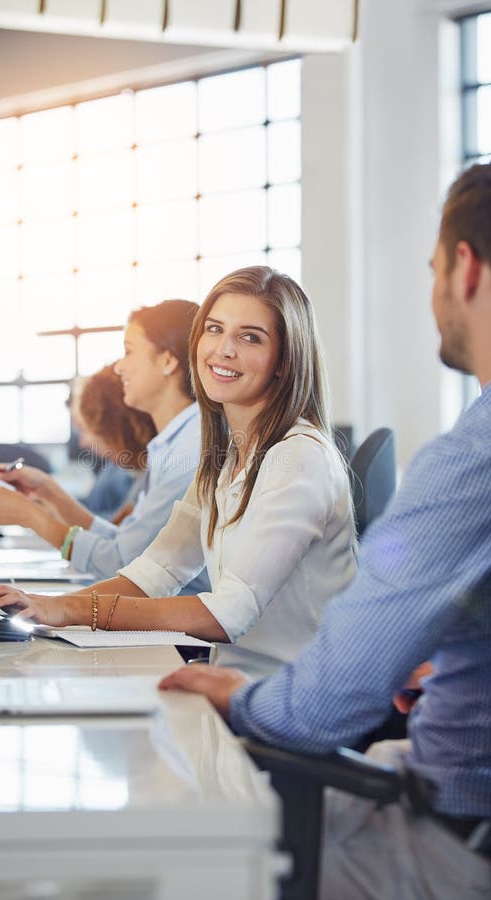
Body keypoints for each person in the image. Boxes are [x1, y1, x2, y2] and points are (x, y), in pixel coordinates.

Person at [158, 164, 491, 899]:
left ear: (463, 269)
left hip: (452, 838)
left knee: (166, 863)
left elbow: (319, 710)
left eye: (432, 269)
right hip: (428, 762)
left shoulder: (473, 456)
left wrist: (232, 696)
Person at [0, 266, 356, 662]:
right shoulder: (227, 456)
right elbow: (156, 572)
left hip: (296, 696)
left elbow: (229, 613)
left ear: (284, 361)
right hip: (240, 678)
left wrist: (71, 610)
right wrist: (48, 604)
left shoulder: (299, 457)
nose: (223, 350)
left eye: (250, 337)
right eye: (214, 329)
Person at [0, 300, 208, 592]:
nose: (120, 366)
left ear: (168, 361)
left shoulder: (190, 448)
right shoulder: (173, 443)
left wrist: (29, 516)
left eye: (129, 351)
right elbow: (124, 544)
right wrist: (50, 492)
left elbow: (123, 561)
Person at [68, 370, 152, 522]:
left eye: (84, 429)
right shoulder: (117, 467)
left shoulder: (130, 472)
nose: (83, 442)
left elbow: (119, 527)